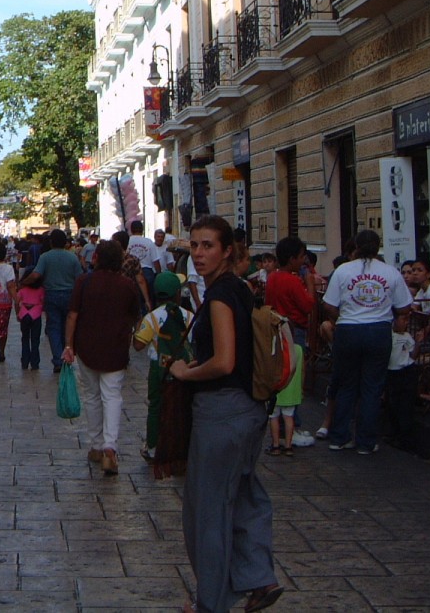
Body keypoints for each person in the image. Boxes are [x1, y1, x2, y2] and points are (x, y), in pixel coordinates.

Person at [168, 216, 281, 613]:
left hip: (223, 412)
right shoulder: (238, 289)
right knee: (246, 497)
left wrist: (186, 371)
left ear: (227, 250)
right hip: (248, 410)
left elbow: (225, 361)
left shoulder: (219, 296)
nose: (199, 254)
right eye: (194, 246)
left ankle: (211, 604)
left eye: (208, 246)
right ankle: (258, 578)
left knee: (209, 511)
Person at [321, 229, 412, 455]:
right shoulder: (390, 272)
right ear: (378, 246)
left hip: (348, 330)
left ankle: (339, 437)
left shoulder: (343, 270)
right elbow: (404, 306)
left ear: (357, 246)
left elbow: (329, 304)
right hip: (378, 330)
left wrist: (340, 318)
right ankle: (366, 441)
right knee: (372, 387)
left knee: (346, 385)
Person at [61, 240, 142, 475]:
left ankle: (96, 445)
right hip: (116, 348)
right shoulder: (127, 285)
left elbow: (73, 316)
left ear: (96, 257)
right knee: (112, 395)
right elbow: (135, 316)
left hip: (87, 347)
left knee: (92, 396)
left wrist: (69, 345)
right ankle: (110, 447)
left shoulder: (84, 282)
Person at [132, 271, 194, 463]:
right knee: (185, 406)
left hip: (158, 367)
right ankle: (184, 447)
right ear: (177, 293)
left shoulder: (152, 318)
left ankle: (153, 446)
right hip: (185, 368)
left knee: (156, 406)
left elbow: (138, 345)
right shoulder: (189, 316)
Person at [23, 229, 80, 373]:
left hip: (51, 295)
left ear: (51, 242)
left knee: (53, 327)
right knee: (66, 326)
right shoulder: (72, 257)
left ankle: (58, 360)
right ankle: (67, 354)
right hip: (69, 295)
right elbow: (79, 278)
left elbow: (36, 275)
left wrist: (23, 282)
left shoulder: (45, 257)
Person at [384, 308, 419, 451]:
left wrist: (418, 343)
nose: (406, 323)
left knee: (404, 406)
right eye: (403, 320)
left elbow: (413, 355)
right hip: (392, 373)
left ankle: (404, 438)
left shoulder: (407, 337)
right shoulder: (388, 336)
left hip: (406, 371)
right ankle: (395, 433)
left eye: (407, 320)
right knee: (392, 404)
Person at [266, 343, 304, 457]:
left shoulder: (273, 348)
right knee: (289, 418)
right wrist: (301, 388)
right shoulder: (298, 349)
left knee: (273, 418)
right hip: (291, 392)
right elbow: (302, 370)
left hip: (275, 390)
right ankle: (288, 446)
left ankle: (276, 445)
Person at [15, 269, 45, 371]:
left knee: (25, 338)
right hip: (36, 314)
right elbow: (43, 302)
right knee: (35, 339)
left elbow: (16, 302)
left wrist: (17, 313)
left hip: (24, 313)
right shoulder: (41, 290)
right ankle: (35, 362)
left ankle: (25, 361)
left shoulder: (22, 290)